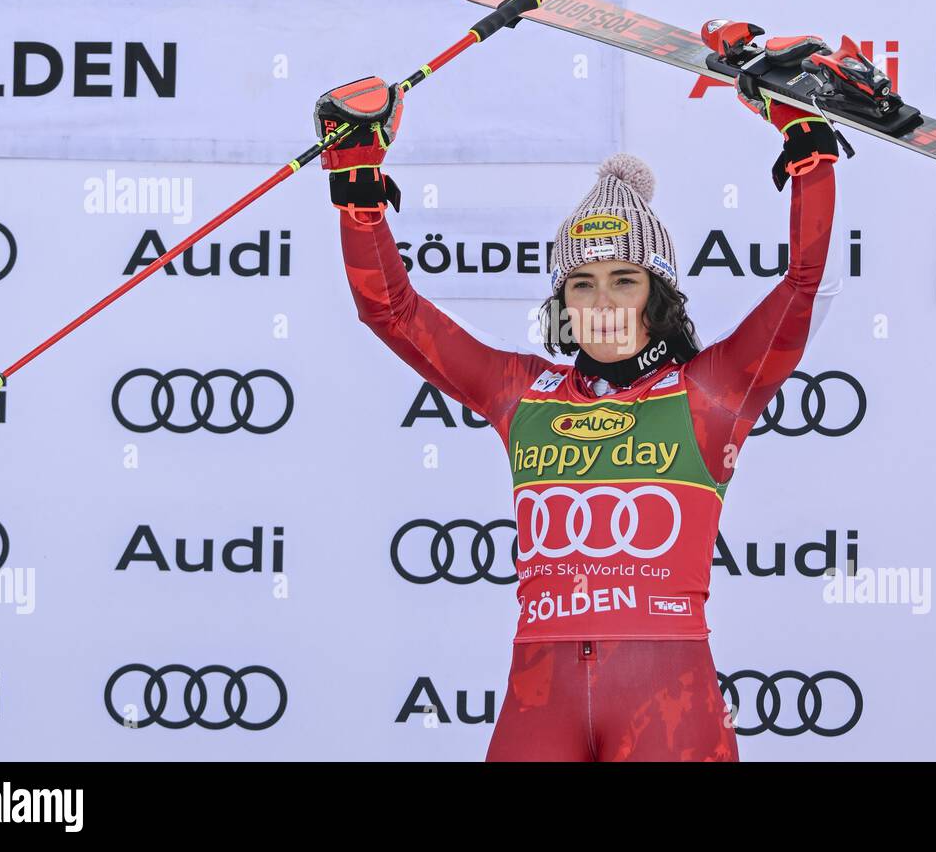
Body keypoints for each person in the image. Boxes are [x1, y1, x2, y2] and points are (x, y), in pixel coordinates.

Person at [315, 55, 841, 761]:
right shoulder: (522, 392)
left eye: (624, 280)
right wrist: (358, 190)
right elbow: (390, 312)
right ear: (561, 303)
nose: (601, 304)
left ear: (657, 298)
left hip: (669, 701)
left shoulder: (710, 390)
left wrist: (809, 155)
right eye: (582, 284)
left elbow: (805, 285)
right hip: (542, 700)